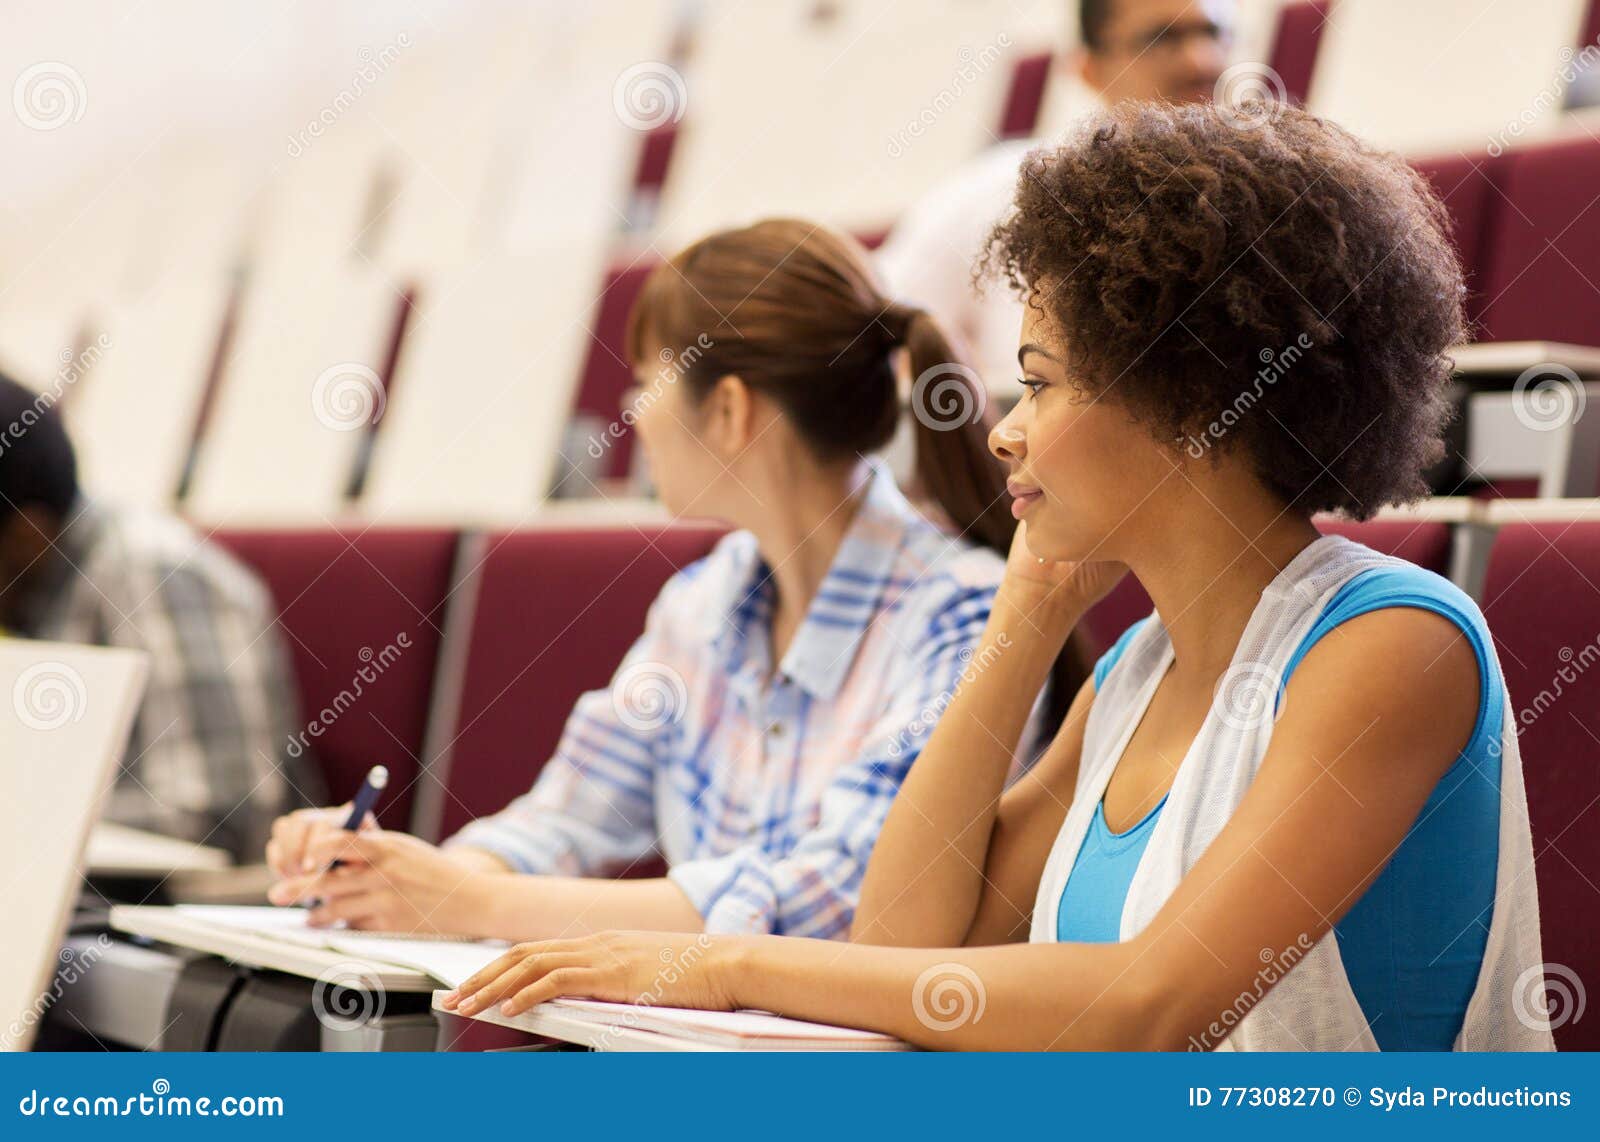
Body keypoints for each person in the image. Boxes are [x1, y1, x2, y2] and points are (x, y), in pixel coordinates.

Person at [441, 102, 1553, 1052]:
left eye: (1038, 385)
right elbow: (905, 946)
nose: (1005, 434)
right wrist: (1022, 617)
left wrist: (726, 962)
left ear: (1183, 402)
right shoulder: (1135, 671)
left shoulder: (1396, 641)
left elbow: (1149, 1005)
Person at [266, 220, 1085, 941]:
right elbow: (566, 820)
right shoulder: (701, 601)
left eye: (645, 380)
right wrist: (389, 871)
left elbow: (848, 897)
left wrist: (472, 905)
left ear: (728, 409)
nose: (632, 411)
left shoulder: (960, 612)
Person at [0, 374, 310, 861]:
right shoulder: (33, 589)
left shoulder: (152, 571)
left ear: (26, 535)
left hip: (178, 916)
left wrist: (24, 816)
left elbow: (220, 818)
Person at [877, 0, 1235, 391]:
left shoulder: (1272, 205)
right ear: (1089, 69)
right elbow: (876, 336)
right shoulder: (997, 189)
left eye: (1212, 33)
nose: (1202, 61)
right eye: (1162, 40)